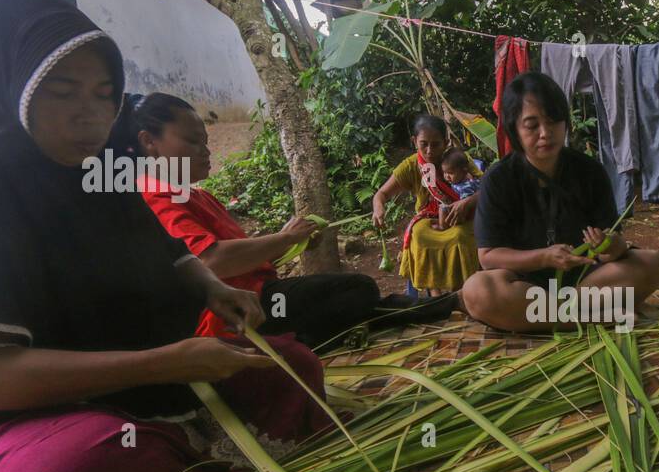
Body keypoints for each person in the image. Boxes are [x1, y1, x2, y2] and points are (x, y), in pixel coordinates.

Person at [0, 0, 331, 472]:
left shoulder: (97, 172)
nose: (89, 115)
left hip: (142, 388)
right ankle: (171, 456)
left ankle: (176, 455)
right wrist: (161, 363)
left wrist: (213, 287)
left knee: (291, 369)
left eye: (104, 94)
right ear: (4, 85)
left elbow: (166, 250)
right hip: (7, 419)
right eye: (62, 93)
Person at [129, 93, 453, 349]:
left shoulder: (195, 195)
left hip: (258, 294)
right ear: (148, 141)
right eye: (192, 141)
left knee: (357, 296)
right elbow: (211, 260)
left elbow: (243, 256)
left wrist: (290, 239)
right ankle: (304, 339)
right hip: (235, 312)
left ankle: (439, 305)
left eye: (205, 140)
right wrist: (285, 239)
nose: (206, 151)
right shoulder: (157, 198)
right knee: (360, 289)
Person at [463, 72, 659, 332]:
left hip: (585, 283)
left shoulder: (590, 171)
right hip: (525, 286)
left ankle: (547, 316)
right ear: (514, 128)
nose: (545, 133)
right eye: (532, 125)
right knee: (477, 291)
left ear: (565, 122)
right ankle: (590, 318)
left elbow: (615, 242)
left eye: (553, 121)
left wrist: (610, 245)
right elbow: (489, 257)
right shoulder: (499, 179)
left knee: (651, 263)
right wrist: (544, 258)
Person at [370, 114, 482, 293]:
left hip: (462, 214)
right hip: (429, 217)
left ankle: (461, 292)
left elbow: (487, 188)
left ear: (446, 142)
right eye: (424, 144)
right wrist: (378, 209)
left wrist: (467, 202)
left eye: (436, 144)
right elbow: (381, 194)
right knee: (420, 235)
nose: (429, 151)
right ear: (415, 141)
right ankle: (436, 295)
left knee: (459, 237)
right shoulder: (410, 166)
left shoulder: (458, 159)